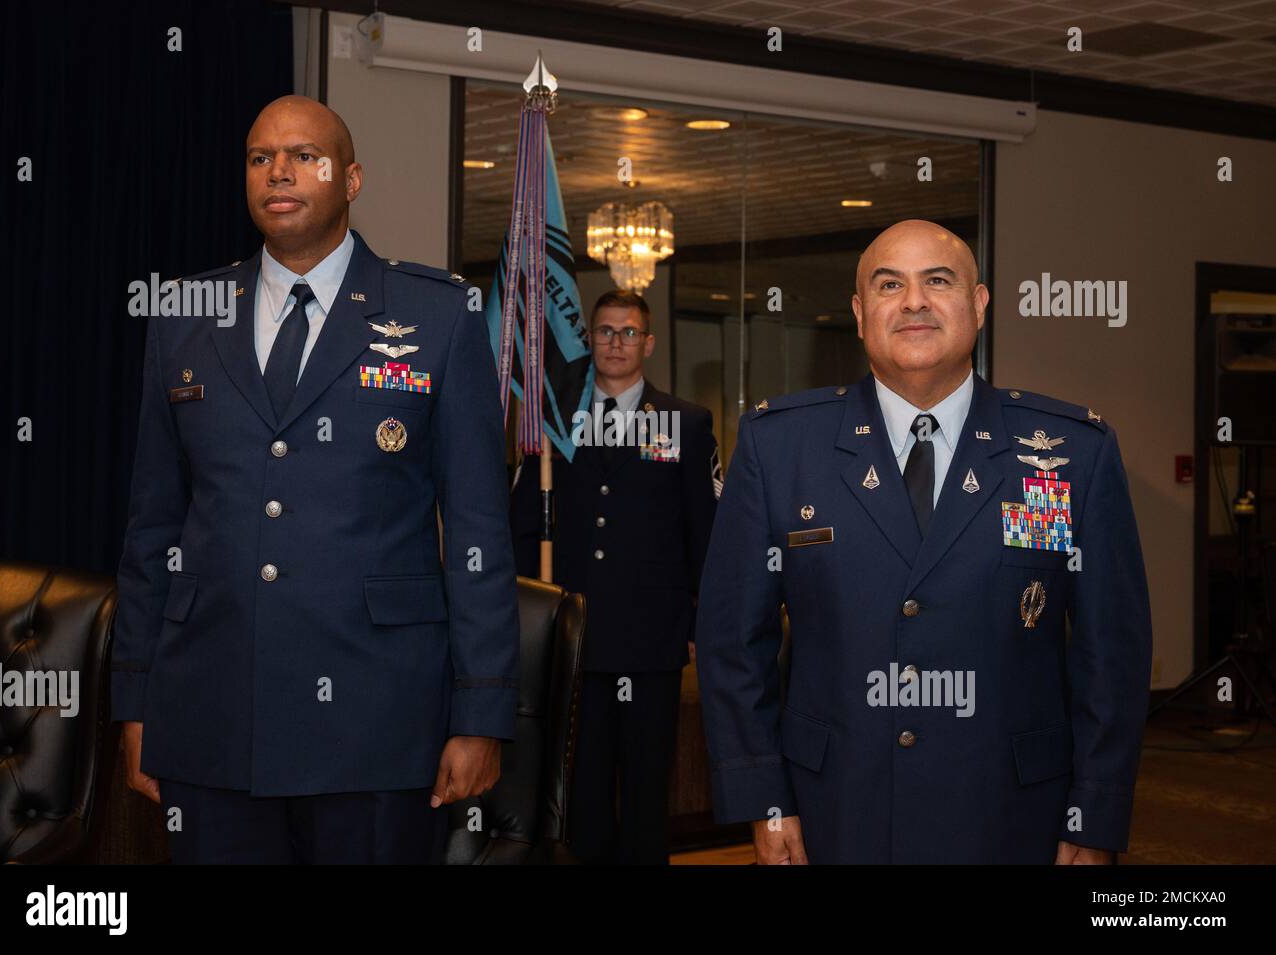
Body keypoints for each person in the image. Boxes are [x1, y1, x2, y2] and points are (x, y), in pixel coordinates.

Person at [111, 95, 519, 863]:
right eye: (261, 157)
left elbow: (478, 530)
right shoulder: (183, 318)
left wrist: (483, 711)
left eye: (305, 155)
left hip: (376, 719)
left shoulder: (437, 317)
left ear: (352, 177)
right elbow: (153, 524)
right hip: (212, 713)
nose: (280, 171)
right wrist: (135, 700)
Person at [696, 219, 1152, 864]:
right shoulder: (779, 448)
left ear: (979, 304)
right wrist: (763, 800)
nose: (914, 301)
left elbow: (1114, 656)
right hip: (834, 808)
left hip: (1017, 812)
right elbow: (733, 644)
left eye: (938, 281)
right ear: (859, 314)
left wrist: (1094, 815)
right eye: (890, 285)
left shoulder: (1074, 452)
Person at [511, 290, 721, 864]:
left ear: (648, 343)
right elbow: (525, 529)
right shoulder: (554, 424)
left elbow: (704, 534)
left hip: (651, 639)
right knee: (584, 794)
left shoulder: (686, 423)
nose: (616, 342)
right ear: (590, 340)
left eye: (628, 332)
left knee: (648, 792)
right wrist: (527, 618)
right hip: (574, 639)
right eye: (605, 331)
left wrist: (705, 620)